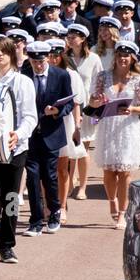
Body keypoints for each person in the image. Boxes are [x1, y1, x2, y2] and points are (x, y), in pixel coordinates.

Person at [0, 37, 38, 264]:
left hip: (15, 148)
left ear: (11, 55)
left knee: (11, 196)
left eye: (3, 52)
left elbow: (30, 116)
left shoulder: (22, 81)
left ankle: (7, 243)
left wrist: (19, 134)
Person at [89, 41, 140, 229]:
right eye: (119, 55)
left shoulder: (139, 79)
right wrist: (95, 101)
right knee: (109, 171)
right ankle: (112, 202)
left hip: (127, 127)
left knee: (125, 172)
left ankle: (122, 214)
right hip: (108, 125)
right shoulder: (103, 77)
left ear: (132, 58)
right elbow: (93, 104)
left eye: (126, 56)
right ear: (115, 57)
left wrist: (132, 108)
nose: (122, 59)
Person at [20, 41, 74, 236]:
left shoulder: (61, 75)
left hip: (52, 134)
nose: (38, 65)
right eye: (34, 62)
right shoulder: (24, 76)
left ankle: (54, 213)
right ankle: (35, 220)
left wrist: (58, 110)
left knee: (50, 176)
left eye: (41, 61)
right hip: (30, 135)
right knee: (32, 177)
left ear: (48, 58)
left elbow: (70, 102)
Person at [48, 40, 85, 221]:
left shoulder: (71, 74)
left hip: (66, 121)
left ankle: (62, 206)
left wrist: (77, 128)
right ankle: (48, 205)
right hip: (45, 123)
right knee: (46, 170)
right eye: (50, 55)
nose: (53, 59)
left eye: (56, 55)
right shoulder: (41, 74)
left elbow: (76, 103)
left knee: (62, 168)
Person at [65, 24, 102, 200]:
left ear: (83, 39)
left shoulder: (94, 59)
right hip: (69, 107)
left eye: (75, 36)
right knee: (71, 147)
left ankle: (82, 187)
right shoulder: (64, 57)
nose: (71, 38)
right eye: (69, 36)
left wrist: (97, 108)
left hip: (87, 108)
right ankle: (70, 182)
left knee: (84, 148)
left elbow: (99, 82)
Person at [112, 0, 140, 76]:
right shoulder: (113, 30)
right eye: (120, 13)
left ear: (132, 13)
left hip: (137, 69)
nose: (123, 16)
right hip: (117, 69)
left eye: (126, 13)